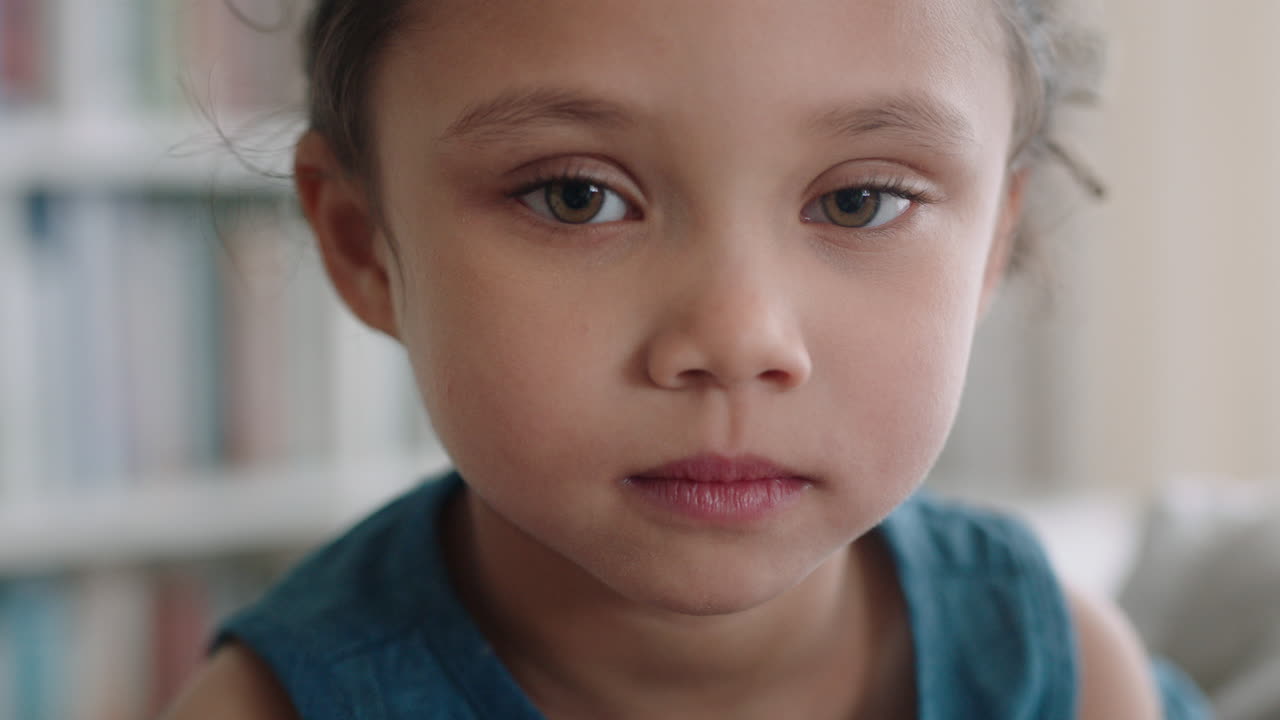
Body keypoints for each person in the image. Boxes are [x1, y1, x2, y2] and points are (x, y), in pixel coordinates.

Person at [163, 0, 1211, 717]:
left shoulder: (1058, 675)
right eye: (574, 195)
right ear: (363, 246)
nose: (735, 337)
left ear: (991, 247)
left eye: (859, 200)